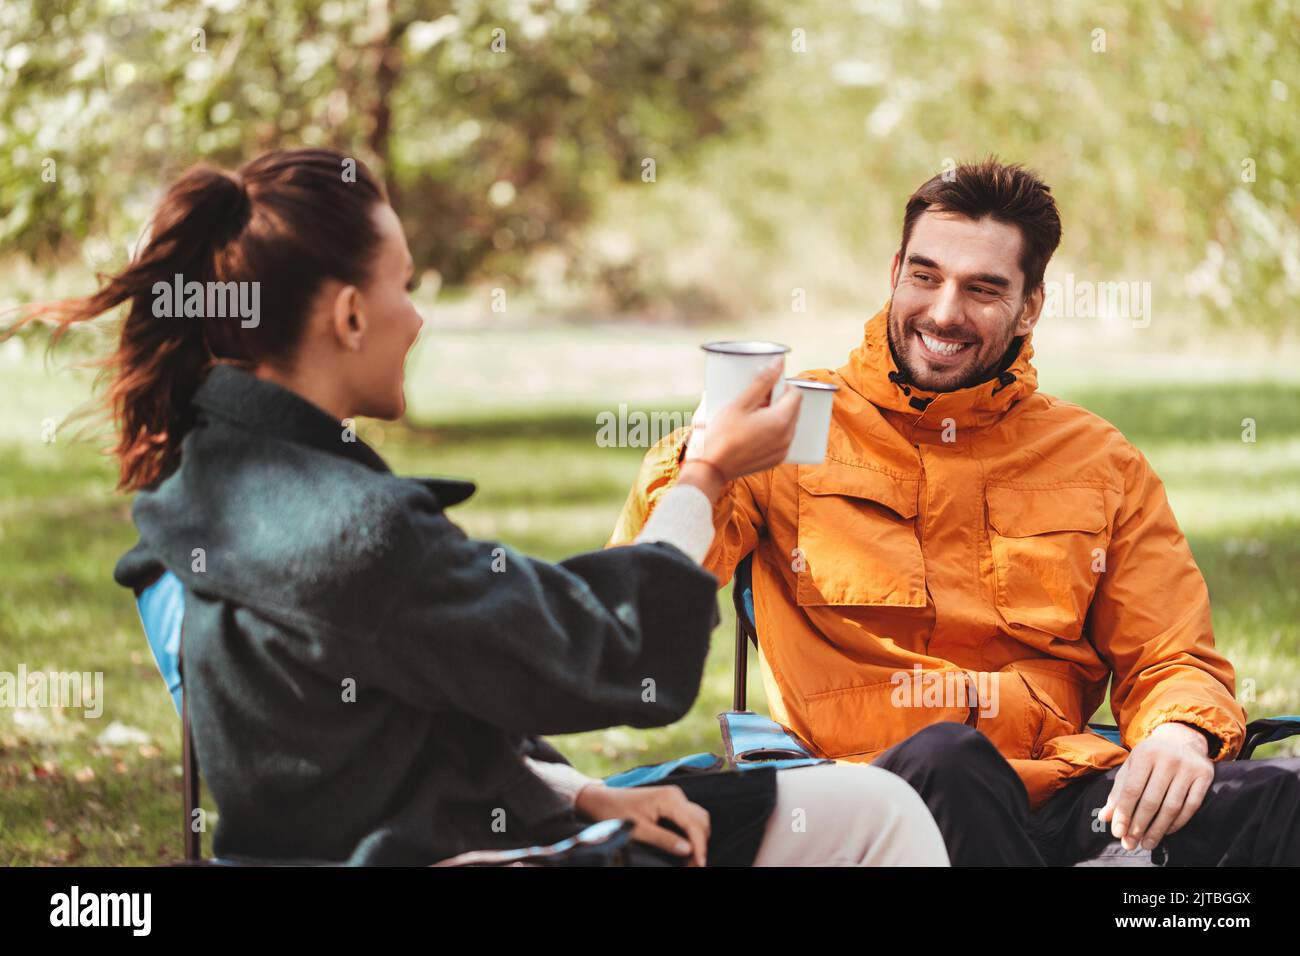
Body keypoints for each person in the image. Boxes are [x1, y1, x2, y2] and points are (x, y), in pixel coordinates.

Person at [9, 147, 948, 867]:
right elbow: (610, 652)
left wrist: (582, 795)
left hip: (460, 828)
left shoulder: (209, 483)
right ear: (346, 316)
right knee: (879, 816)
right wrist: (706, 474)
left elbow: (409, 706)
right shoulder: (345, 531)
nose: (417, 318)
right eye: (404, 285)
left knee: (844, 804)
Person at [610, 157, 1300, 866]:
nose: (944, 312)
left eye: (983, 288)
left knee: (1282, 802)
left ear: (1029, 306)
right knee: (950, 759)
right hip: (871, 805)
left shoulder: (1098, 459)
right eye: (926, 276)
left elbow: (1171, 653)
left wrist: (1178, 734)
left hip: (1068, 798)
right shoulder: (790, 424)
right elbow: (638, 601)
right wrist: (703, 456)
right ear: (894, 273)